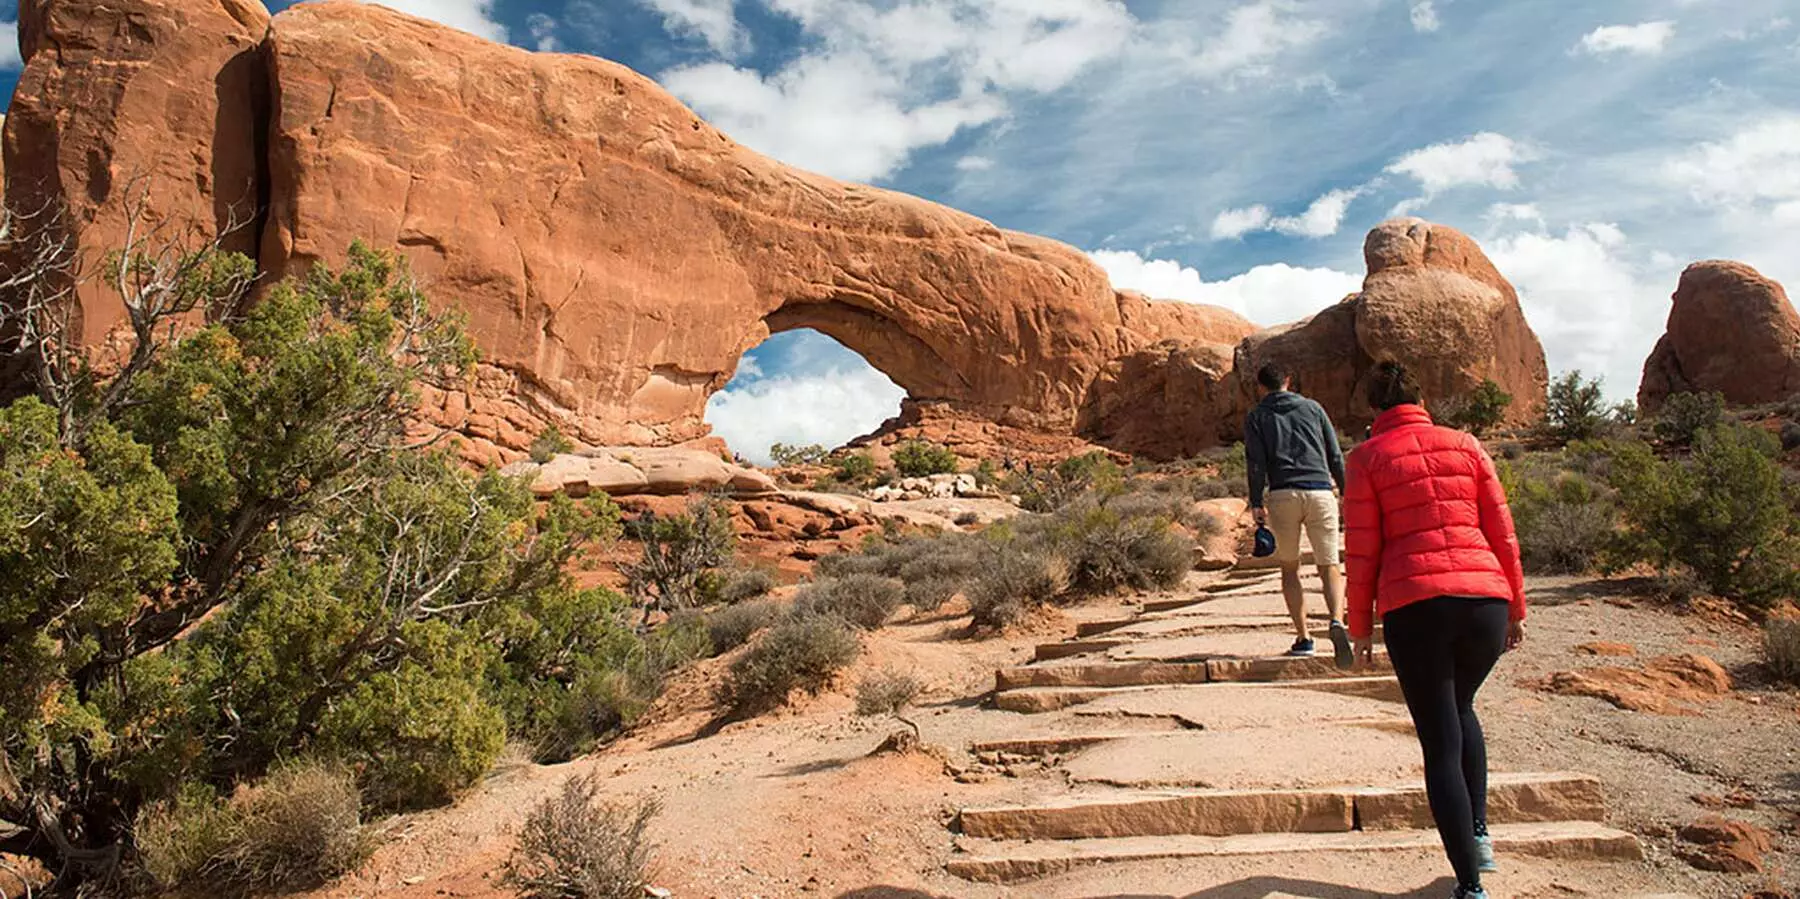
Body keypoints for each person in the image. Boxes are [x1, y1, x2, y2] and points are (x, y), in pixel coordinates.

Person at [1343, 361, 1528, 899]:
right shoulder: (1466, 444)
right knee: (1462, 708)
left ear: (1374, 409)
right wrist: (1516, 605)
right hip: (1484, 602)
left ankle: (1469, 883)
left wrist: (1360, 627)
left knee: (1440, 739)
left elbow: (1363, 549)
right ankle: (1480, 837)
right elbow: (1502, 528)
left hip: (1416, 605)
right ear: (1422, 398)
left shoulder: (1367, 458)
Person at [1243, 361, 1351, 665]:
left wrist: (1255, 502)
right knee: (1329, 565)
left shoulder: (1257, 416)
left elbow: (1256, 463)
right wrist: (1346, 492)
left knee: (1290, 568)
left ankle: (1304, 638)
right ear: (1288, 381)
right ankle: (1337, 621)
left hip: (1283, 494)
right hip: (1320, 491)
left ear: (1260, 386)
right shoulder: (1314, 408)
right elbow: (1334, 454)